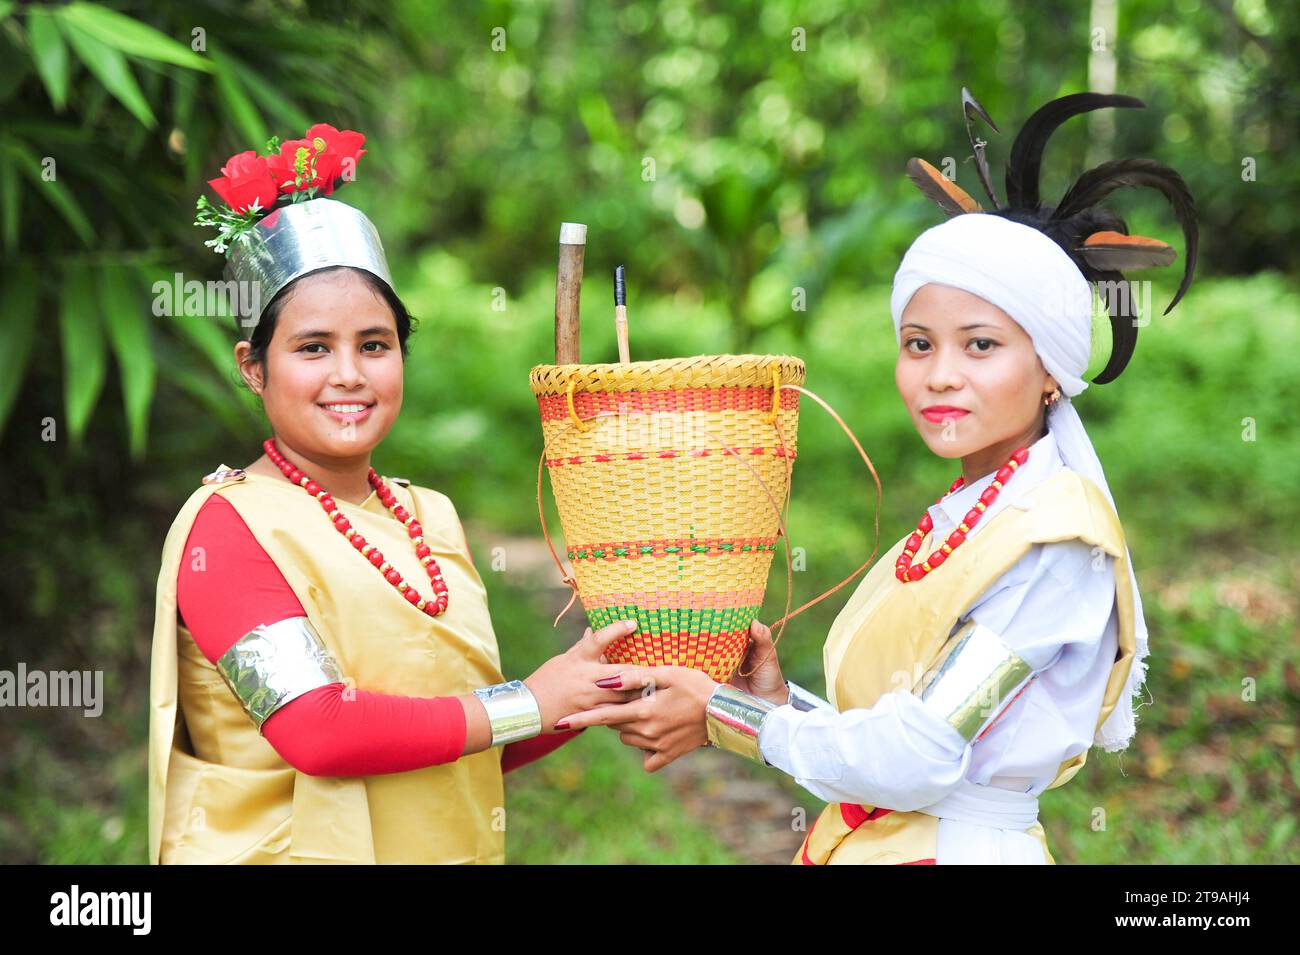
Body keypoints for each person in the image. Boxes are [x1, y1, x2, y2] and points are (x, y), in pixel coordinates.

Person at [556, 91, 1198, 864]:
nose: (941, 375)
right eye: (919, 343)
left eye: (982, 345)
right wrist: (774, 701)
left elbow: (919, 759)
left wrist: (727, 716)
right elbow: (902, 739)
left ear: (1052, 370)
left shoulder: (1055, 539)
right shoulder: (976, 509)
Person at [148, 125, 640, 864]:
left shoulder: (429, 516)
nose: (349, 373)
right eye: (314, 347)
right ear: (253, 367)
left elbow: (468, 736)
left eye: (374, 345)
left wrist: (589, 689)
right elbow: (320, 730)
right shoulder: (227, 527)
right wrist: (531, 699)